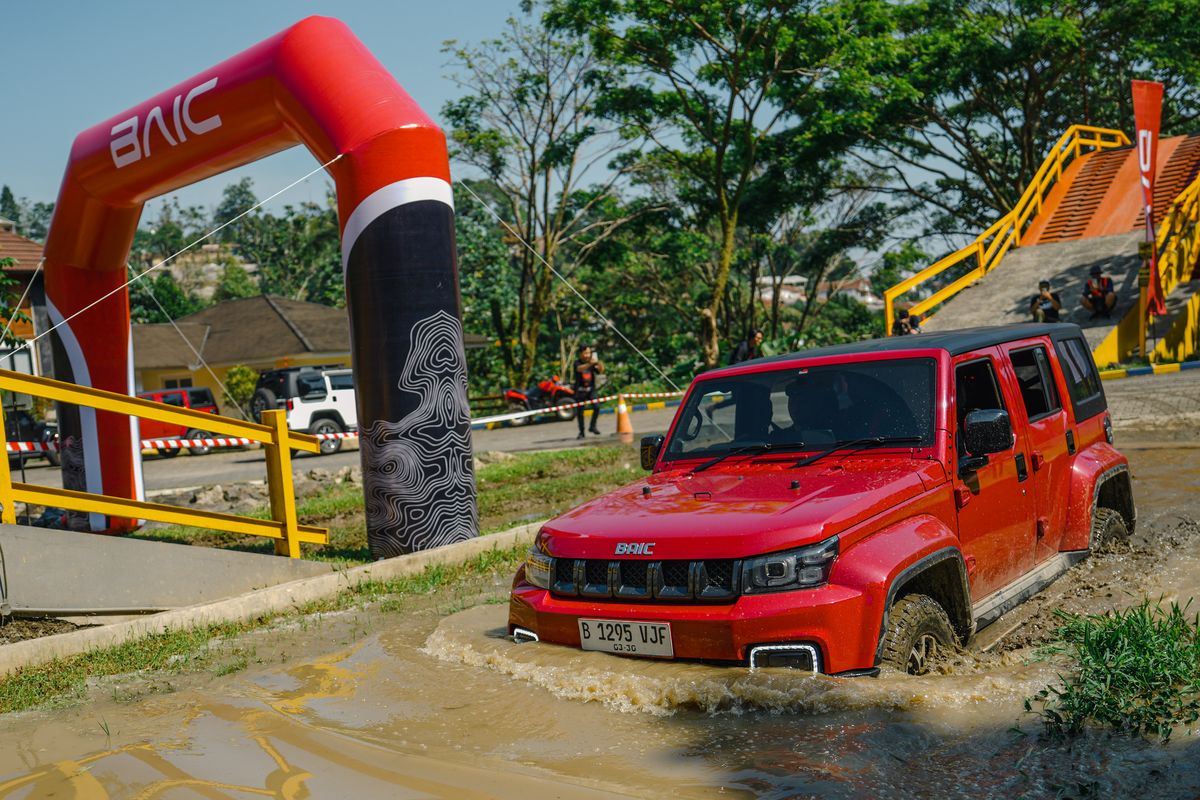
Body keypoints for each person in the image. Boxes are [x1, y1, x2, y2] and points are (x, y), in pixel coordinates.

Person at [573, 344, 604, 439]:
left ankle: (592, 426)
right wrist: (590, 363)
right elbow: (579, 369)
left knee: (597, 407)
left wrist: (598, 363)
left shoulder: (592, 363)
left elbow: (600, 371)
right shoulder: (577, 363)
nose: (587, 355)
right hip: (580, 391)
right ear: (580, 353)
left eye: (589, 353)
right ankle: (581, 432)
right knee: (580, 412)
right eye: (585, 353)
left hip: (591, 390)